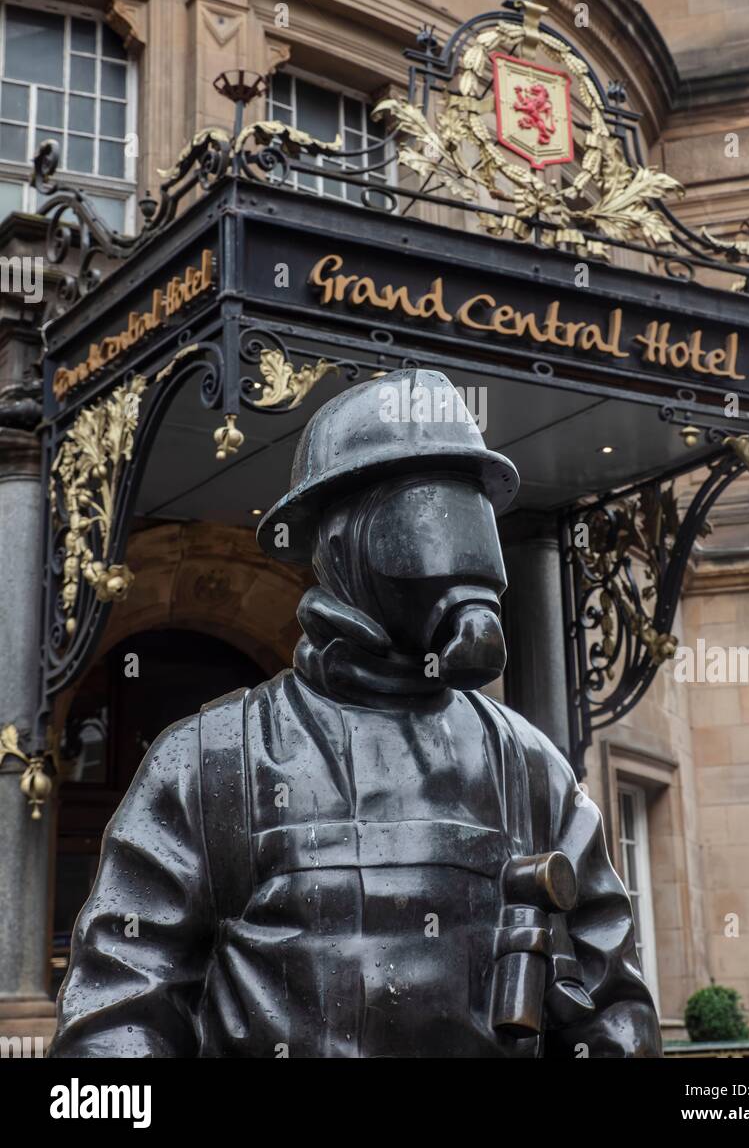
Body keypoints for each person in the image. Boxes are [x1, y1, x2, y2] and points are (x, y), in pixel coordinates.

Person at [50, 369, 661, 1058]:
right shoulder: (212, 758)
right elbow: (116, 1022)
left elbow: (613, 1015)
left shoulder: (528, 766)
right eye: (424, 513)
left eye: (468, 515)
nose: (455, 552)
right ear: (340, 543)